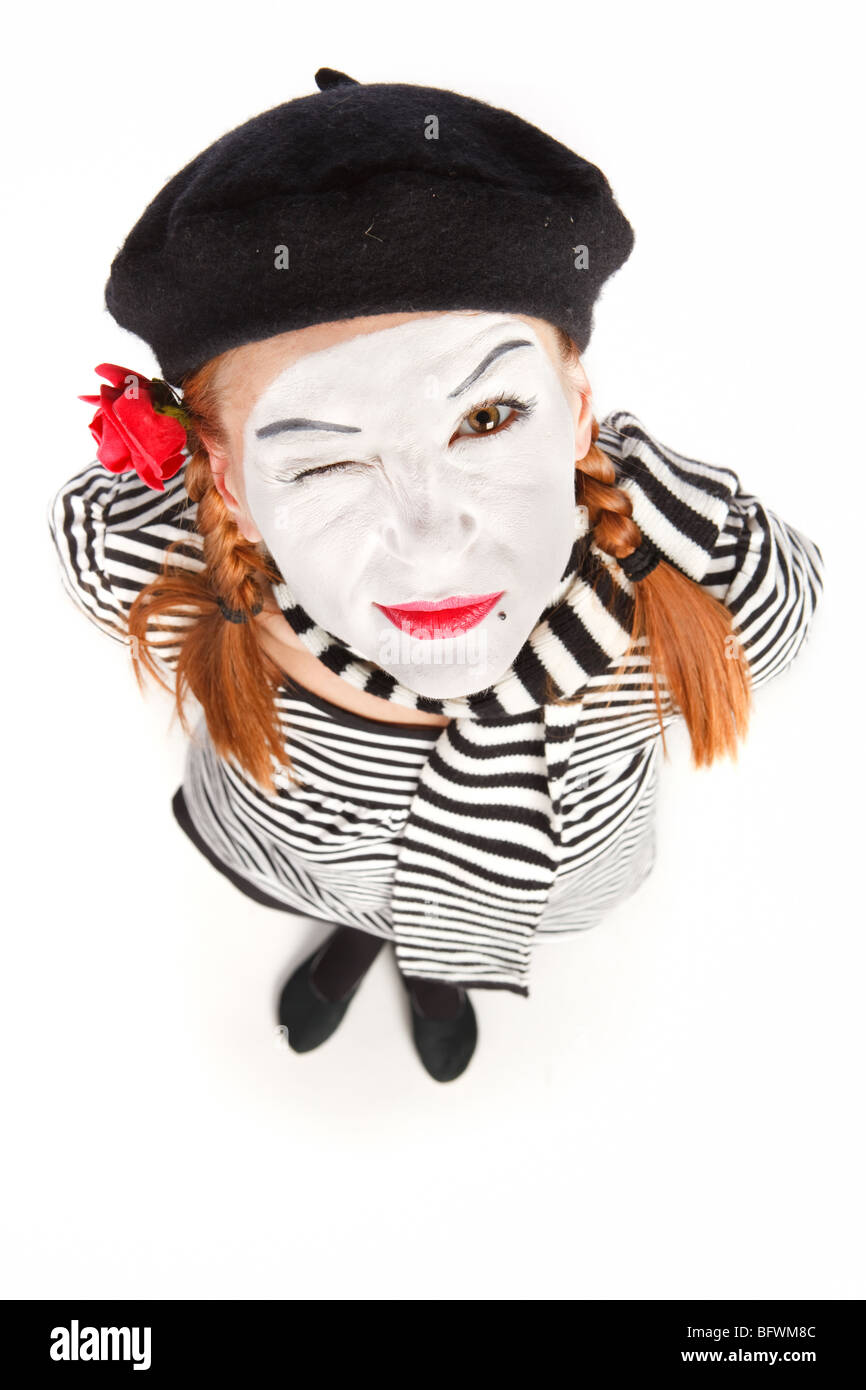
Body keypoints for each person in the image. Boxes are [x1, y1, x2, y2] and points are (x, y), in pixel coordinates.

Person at [47, 68, 825, 1083]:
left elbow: (784, 612)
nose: (428, 542)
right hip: (313, 857)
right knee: (346, 899)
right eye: (322, 460)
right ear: (229, 481)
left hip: (538, 876)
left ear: (578, 408)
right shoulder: (160, 561)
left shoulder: (690, 574)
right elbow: (89, 527)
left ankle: (437, 971)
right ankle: (361, 934)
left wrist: (643, 494)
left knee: (451, 922)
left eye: (489, 417)